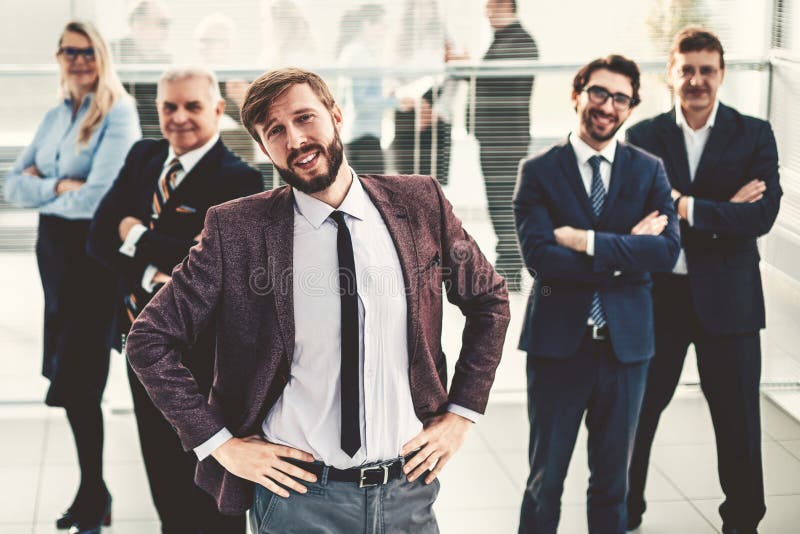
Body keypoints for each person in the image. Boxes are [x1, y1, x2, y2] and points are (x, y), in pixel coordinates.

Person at [124, 67, 510, 533]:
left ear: (336, 115)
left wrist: (461, 414)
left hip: (408, 491)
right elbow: (148, 339)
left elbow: (489, 298)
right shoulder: (237, 229)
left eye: (305, 118)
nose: (296, 139)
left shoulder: (420, 202)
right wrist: (219, 443)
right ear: (265, 149)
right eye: (276, 132)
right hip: (298, 501)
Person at [87, 67, 263, 534]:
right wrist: (156, 265)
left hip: (200, 362)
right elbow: (97, 238)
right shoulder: (144, 157)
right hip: (138, 348)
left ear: (219, 111)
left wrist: (136, 233)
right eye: (169, 106)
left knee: (209, 488)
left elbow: (213, 269)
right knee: (163, 482)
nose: (179, 117)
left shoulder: (239, 180)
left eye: (192, 106)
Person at [513, 55, 681, 534]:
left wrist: (587, 243)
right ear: (577, 95)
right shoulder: (539, 171)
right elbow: (541, 259)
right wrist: (631, 247)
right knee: (545, 482)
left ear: (631, 107)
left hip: (626, 351)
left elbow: (666, 252)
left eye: (621, 98)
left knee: (613, 486)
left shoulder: (649, 171)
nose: (608, 106)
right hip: (557, 349)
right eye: (599, 93)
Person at [625, 27, 781, 534]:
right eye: (686, 69)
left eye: (706, 70)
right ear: (671, 74)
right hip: (658, 301)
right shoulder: (643, 137)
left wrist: (682, 205)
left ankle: (742, 523)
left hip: (729, 305)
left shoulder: (754, 133)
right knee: (634, 420)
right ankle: (623, 515)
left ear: (722, 74)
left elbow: (760, 218)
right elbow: (635, 213)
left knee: (738, 426)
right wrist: (721, 211)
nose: (696, 80)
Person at [3, 21, 140, 534]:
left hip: (90, 266)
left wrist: (48, 185)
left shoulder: (118, 112)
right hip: (56, 266)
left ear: (101, 56)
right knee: (71, 382)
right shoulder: (55, 114)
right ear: (59, 58)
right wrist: (62, 185)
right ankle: (93, 489)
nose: (79, 60)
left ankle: (94, 492)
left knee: (81, 384)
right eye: (69, 52)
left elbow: (99, 198)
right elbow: (13, 185)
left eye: (88, 52)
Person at [447, 0, 538, 290]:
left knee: (505, 203)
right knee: (499, 202)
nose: (486, 12)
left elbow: (497, 77)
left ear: (506, 6)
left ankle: (511, 268)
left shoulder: (521, 41)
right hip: (494, 138)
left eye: (491, 6)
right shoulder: (501, 40)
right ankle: (508, 265)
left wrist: (468, 67)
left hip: (506, 140)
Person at [337, 4, 395, 174]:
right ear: (366, 25)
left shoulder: (359, 52)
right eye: (381, 25)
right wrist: (394, 102)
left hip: (362, 137)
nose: (384, 31)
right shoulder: (358, 55)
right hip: (362, 139)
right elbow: (360, 102)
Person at [112, 0, 173, 140]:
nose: (166, 30)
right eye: (161, 23)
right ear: (138, 24)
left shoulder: (164, 62)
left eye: (167, 24)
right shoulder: (115, 54)